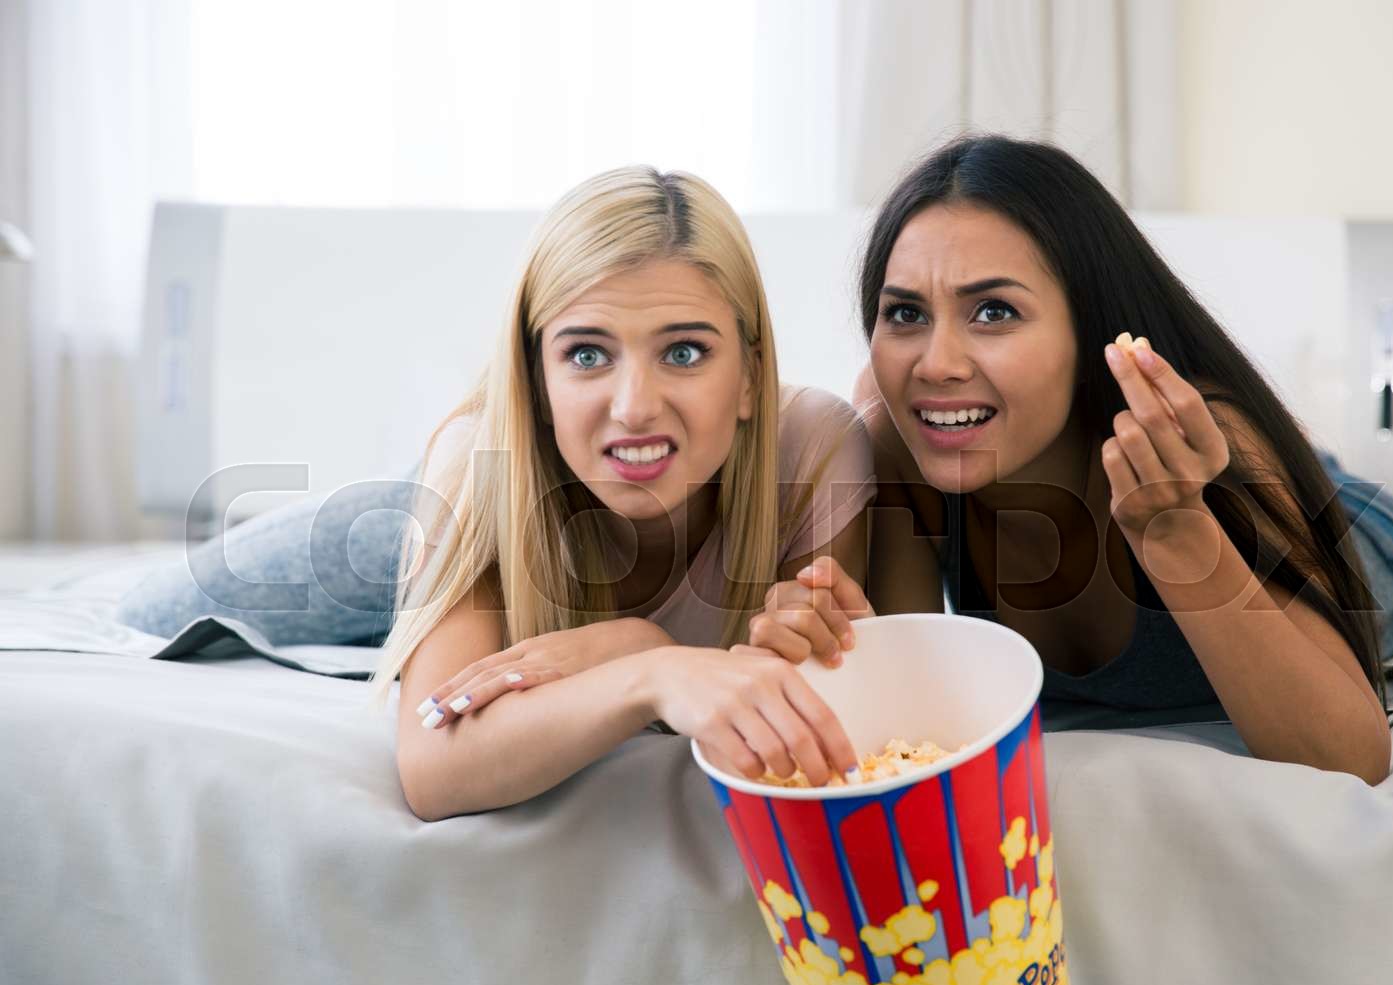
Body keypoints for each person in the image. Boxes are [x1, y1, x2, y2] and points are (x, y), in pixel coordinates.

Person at [118, 166, 875, 817]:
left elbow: (841, 708)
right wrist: (649, 660)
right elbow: (433, 764)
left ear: (749, 374)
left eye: (684, 352)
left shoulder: (813, 449)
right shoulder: (479, 458)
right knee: (144, 612)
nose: (635, 404)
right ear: (537, 381)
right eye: (586, 353)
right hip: (420, 532)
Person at [746, 135, 1393, 787]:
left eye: (992, 311)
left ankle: (1303, 459)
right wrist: (842, 652)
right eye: (905, 314)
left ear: (1089, 326)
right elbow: (914, 735)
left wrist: (1176, 530)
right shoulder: (897, 434)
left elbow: (1349, 759)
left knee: (1238, 450)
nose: (936, 363)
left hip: (1348, 525)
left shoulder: (1191, 439)